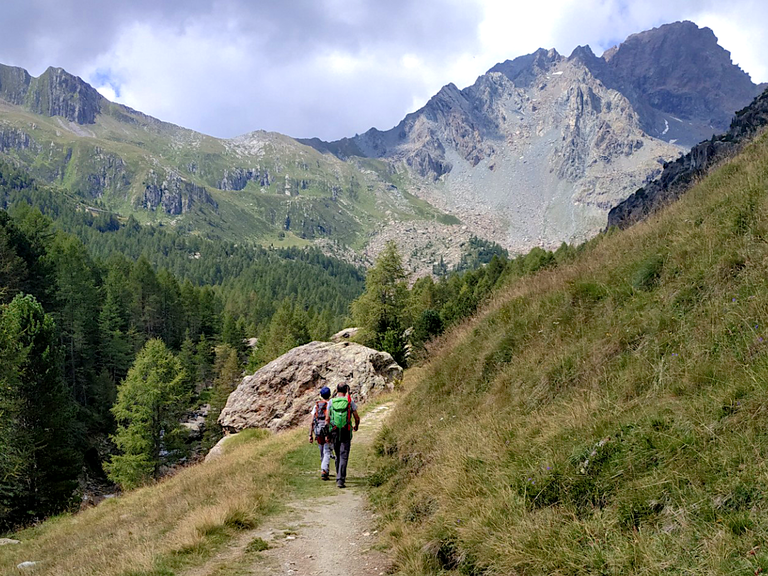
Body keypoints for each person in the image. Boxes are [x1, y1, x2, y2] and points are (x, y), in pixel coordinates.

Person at [325, 383, 360, 488]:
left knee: (337, 454)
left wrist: (327, 433)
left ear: (336, 390)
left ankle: (338, 474)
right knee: (344, 455)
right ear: (346, 390)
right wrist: (356, 426)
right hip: (346, 431)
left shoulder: (331, 402)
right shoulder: (349, 402)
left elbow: (327, 419)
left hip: (334, 431)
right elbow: (356, 417)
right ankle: (340, 479)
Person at [309, 386, 333, 480]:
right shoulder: (330, 404)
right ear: (330, 394)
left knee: (322, 450)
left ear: (321, 395)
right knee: (327, 451)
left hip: (318, 430)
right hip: (328, 430)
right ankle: (324, 470)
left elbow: (311, 421)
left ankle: (325, 469)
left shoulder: (317, 405)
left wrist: (310, 434)